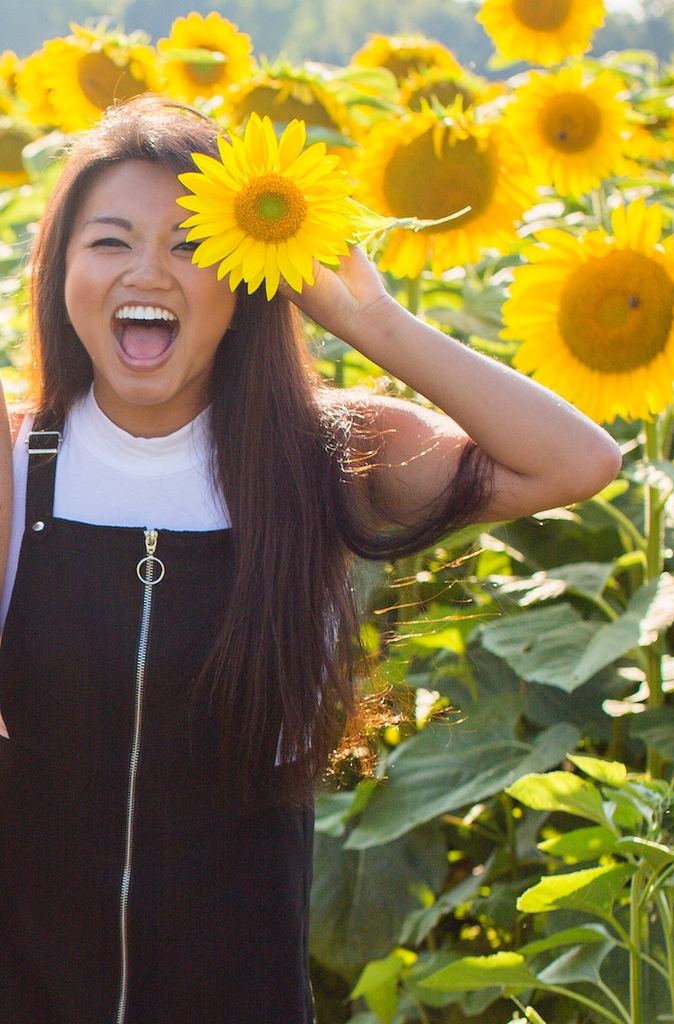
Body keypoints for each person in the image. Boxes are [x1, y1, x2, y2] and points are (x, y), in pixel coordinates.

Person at [0, 94, 621, 1024]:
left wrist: (374, 322)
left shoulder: (322, 459)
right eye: (110, 241)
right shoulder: (13, 466)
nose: (149, 273)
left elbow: (578, 462)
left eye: (188, 245)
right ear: (61, 276)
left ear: (250, 281)